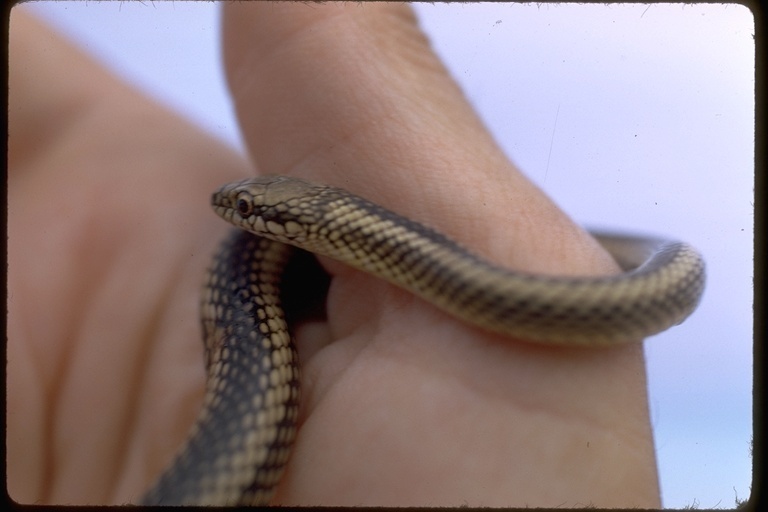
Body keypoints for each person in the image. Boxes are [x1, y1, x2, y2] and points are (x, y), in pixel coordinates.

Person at [7, 3, 660, 507]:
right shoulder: (277, 248)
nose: (241, 215)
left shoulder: (398, 253)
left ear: (306, 225)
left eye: (254, 211)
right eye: (248, 211)